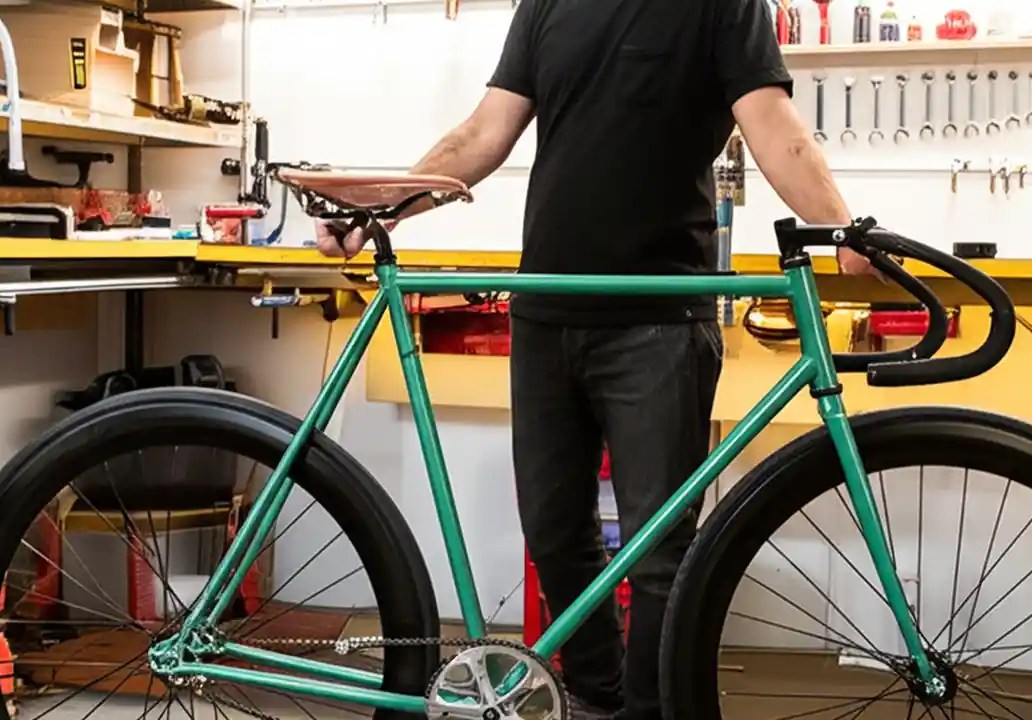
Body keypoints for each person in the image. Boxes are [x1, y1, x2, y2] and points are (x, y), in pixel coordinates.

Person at [318, 1, 876, 717]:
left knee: (660, 557)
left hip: (659, 320)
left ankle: (649, 710)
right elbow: (484, 133)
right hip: (547, 311)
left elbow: (773, 127)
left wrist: (841, 224)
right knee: (554, 534)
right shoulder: (546, 3)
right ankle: (595, 697)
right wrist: (383, 207)